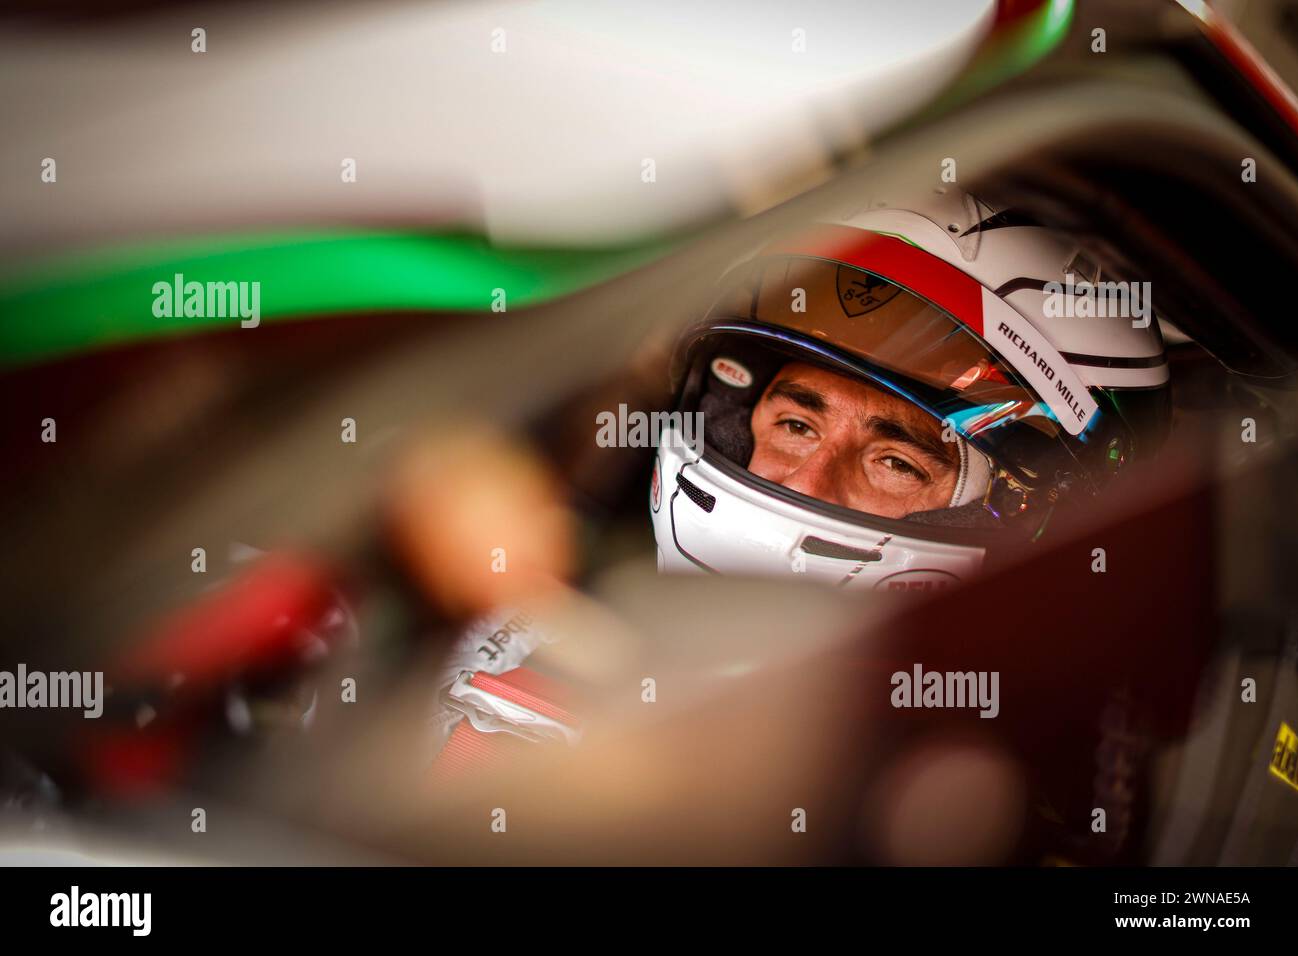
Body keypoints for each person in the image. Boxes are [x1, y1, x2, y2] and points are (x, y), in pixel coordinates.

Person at [431, 186, 1172, 768]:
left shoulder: (987, 797)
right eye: (796, 423)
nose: (808, 483)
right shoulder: (495, 662)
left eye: (895, 462)